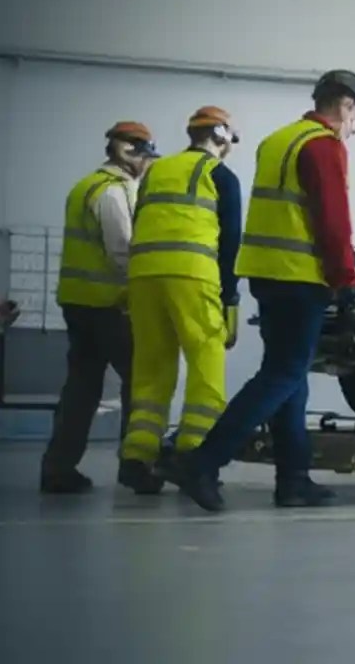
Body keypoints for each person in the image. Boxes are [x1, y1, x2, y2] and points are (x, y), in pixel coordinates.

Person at [170, 70, 355, 511]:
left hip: (266, 274)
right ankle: (202, 463)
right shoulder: (323, 145)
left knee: (290, 376)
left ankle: (294, 479)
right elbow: (333, 221)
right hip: (299, 276)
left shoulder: (278, 140)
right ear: (345, 105)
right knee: (282, 375)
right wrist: (347, 279)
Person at [115, 107, 244, 495]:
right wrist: (230, 297)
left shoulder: (156, 171)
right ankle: (193, 455)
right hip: (192, 275)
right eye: (230, 140)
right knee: (207, 366)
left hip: (144, 277)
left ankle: (138, 457)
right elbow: (231, 243)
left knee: (152, 368)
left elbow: (140, 223)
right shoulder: (220, 175)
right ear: (220, 136)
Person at [40, 122, 159, 494]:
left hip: (78, 303)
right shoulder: (111, 192)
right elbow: (122, 251)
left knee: (81, 387)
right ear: (134, 154)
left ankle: (58, 469)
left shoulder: (84, 185)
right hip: (109, 306)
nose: (147, 165)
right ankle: (136, 467)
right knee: (140, 384)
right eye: (146, 157)